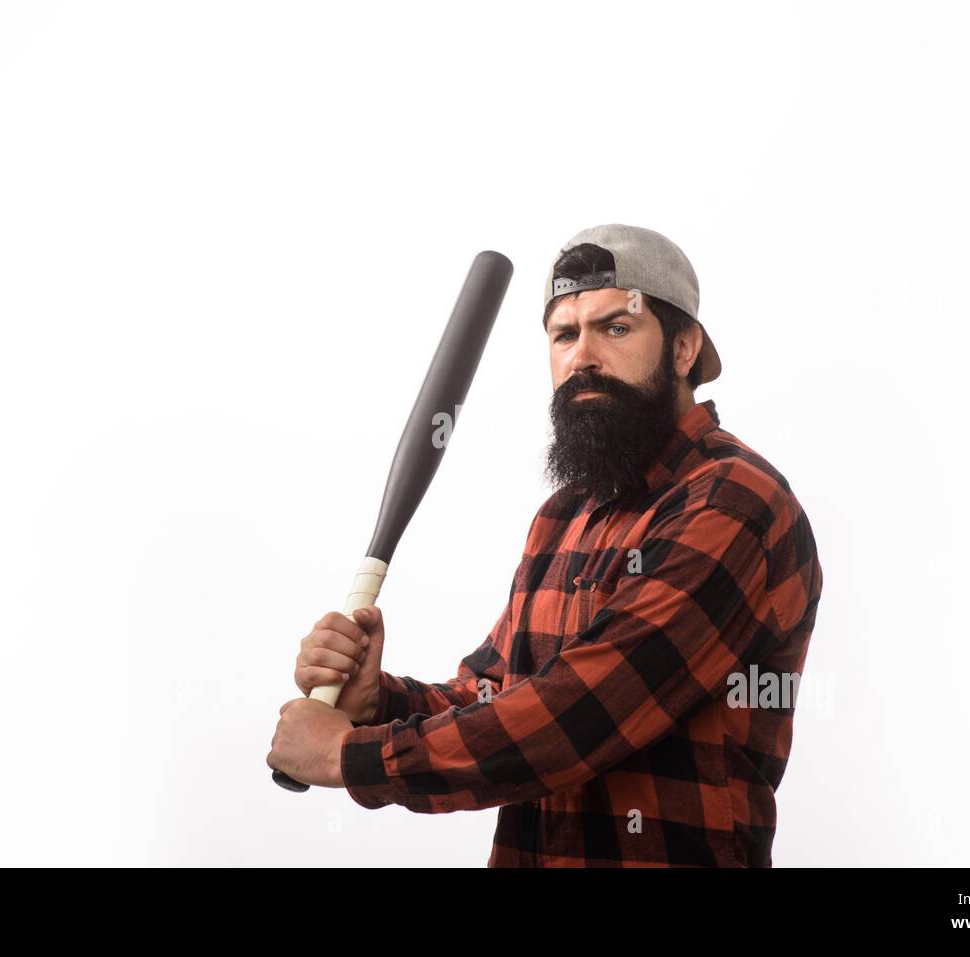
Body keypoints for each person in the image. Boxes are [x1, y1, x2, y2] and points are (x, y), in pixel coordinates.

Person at [266, 223, 824, 867]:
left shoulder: (731, 501)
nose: (582, 356)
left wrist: (350, 756)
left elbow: (583, 711)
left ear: (683, 348)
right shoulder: (563, 515)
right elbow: (498, 697)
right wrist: (379, 701)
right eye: (564, 334)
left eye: (616, 327)